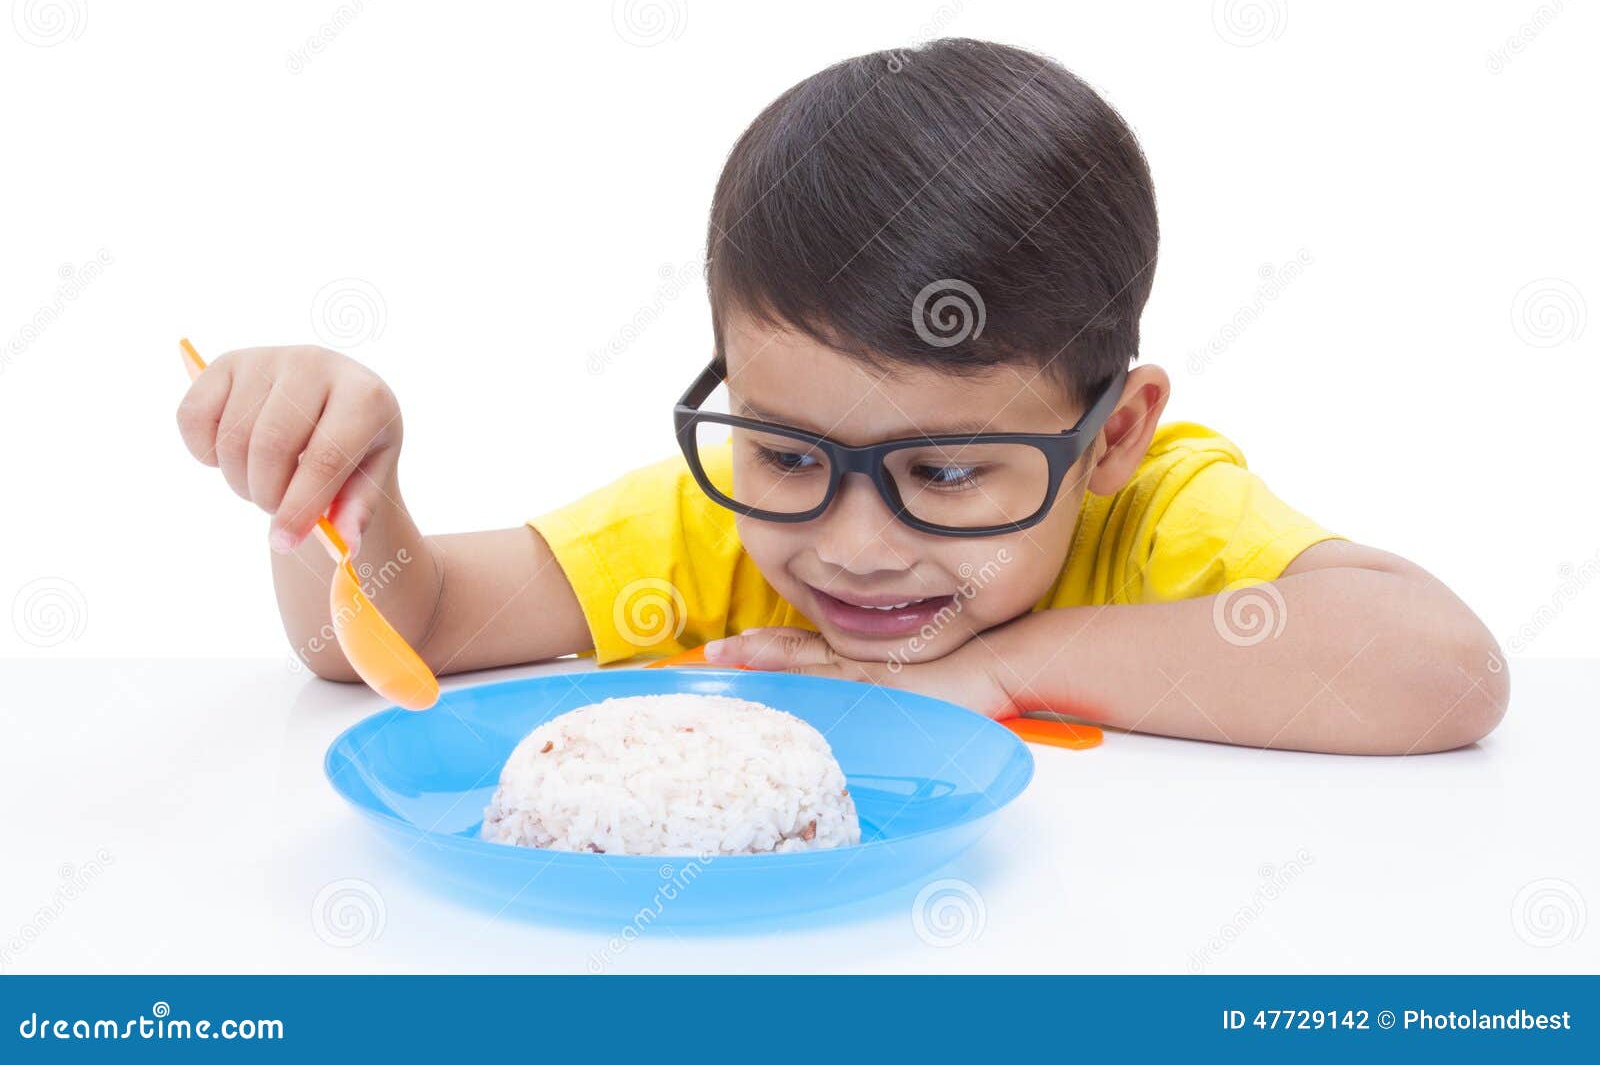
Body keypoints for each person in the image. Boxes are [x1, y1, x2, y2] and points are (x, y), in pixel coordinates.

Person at [175, 38, 1505, 754]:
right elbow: (392, 633)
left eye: (943, 474)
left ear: (1112, 435)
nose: (852, 544)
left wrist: (997, 672)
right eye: (789, 450)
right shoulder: (721, 524)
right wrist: (348, 497)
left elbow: (1442, 671)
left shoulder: (1149, 521)